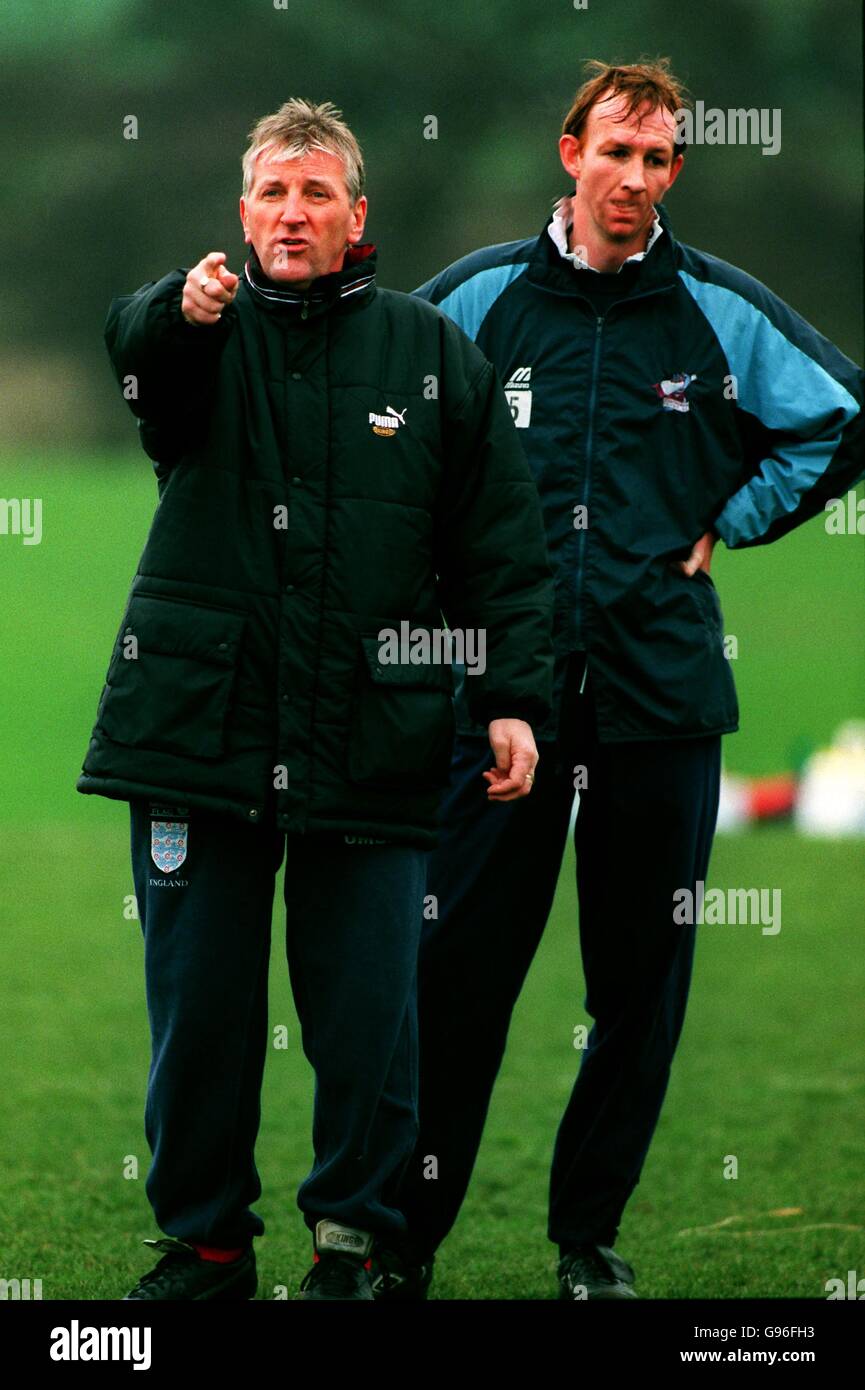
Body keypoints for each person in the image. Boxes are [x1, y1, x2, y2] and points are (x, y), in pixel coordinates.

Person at [372, 59, 865, 1301]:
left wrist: (732, 512)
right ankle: (400, 1244)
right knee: (453, 975)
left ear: (675, 172)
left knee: (637, 986)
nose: (634, 179)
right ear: (569, 153)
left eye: (659, 160)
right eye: (616, 153)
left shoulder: (717, 306)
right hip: (501, 701)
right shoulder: (476, 299)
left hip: (660, 691)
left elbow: (842, 415)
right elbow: (382, 427)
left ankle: (586, 1245)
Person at [76, 98, 555, 1301]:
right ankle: (205, 1244)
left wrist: (508, 698)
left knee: (367, 1018)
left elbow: (498, 543)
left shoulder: (433, 353)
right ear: (243, 216)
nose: (294, 213)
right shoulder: (194, 333)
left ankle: (356, 1239)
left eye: (316, 194)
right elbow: (135, 367)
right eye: (273, 195)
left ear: (356, 215)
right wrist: (173, 316)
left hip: (374, 727)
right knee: (201, 1008)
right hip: (201, 726)